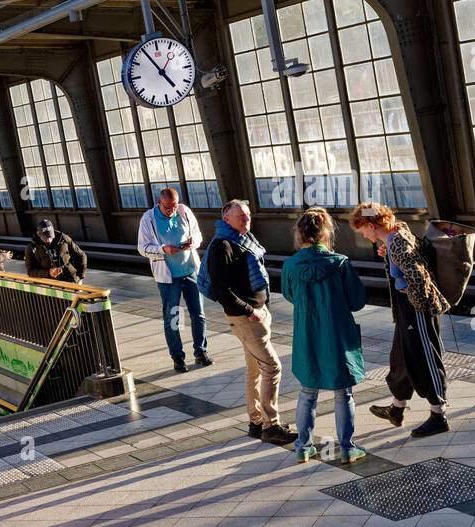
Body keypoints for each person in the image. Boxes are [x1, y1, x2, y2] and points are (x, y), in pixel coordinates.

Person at [349, 201, 452, 437]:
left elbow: (419, 277)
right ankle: (397, 409)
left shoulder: (397, 243)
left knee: (425, 357)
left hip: (417, 309)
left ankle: (439, 413)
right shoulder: (396, 234)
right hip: (407, 309)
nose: (363, 234)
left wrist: (415, 302)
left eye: (363, 228)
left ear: (372, 225)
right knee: (401, 357)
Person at [204, 199, 295, 444]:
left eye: (247, 214)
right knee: (272, 367)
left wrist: (261, 307)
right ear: (226, 220)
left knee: (254, 369)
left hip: (257, 313)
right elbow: (221, 290)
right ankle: (271, 425)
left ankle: (256, 422)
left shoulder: (244, 241)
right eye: (240, 216)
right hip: (245, 318)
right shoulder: (222, 246)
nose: (246, 219)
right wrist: (248, 310)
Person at [282, 208, 369, 464]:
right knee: (344, 392)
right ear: (326, 232)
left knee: (307, 392)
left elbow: (289, 295)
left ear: (300, 234)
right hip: (337, 336)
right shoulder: (340, 263)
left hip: (307, 336)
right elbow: (357, 300)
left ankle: (303, 446)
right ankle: (347, 448)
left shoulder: (290, 265)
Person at [137, 187, 210, 373]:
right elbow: (142, 248)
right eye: (168, 208)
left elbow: (199, 236)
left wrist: (193, 243)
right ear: (159, 203)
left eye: (174, 206)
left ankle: (200, 352)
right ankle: (178, 358)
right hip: (168, 278)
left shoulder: (184, 211)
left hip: (191, 271)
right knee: (174, 318)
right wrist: (163, 249)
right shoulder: (148, 219)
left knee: (198, 314)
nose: (172, 211)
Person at [24, 219, 87, 284]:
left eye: (50, 236)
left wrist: (80, 277)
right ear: (38, 234)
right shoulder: (31, 247)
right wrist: (48, 273)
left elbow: (81, 255)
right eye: (45, 237)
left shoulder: (63, 238)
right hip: (49, 284)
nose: (49, 240)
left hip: (71, 280)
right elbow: (30, 271)